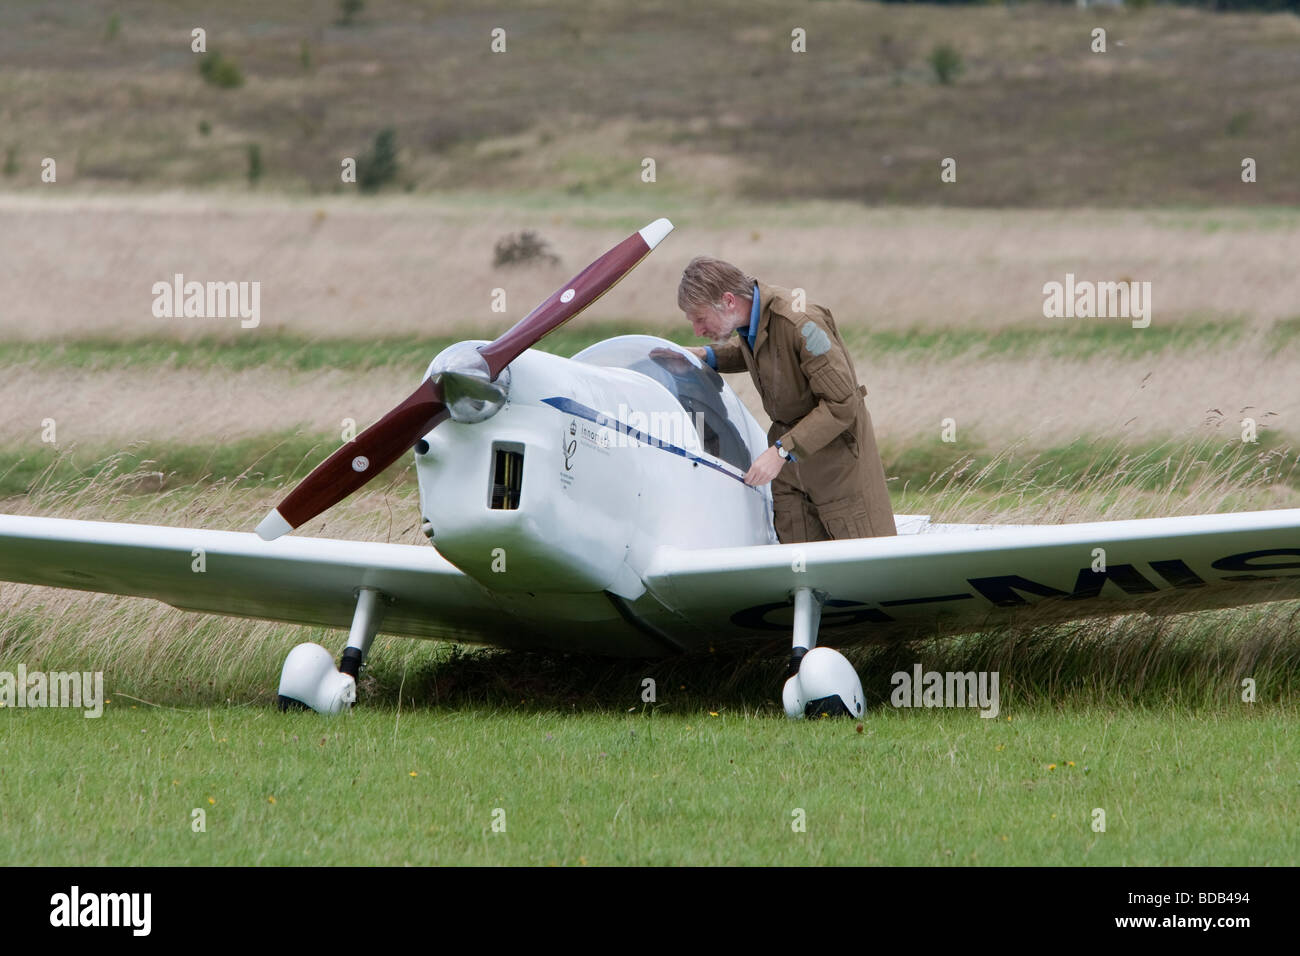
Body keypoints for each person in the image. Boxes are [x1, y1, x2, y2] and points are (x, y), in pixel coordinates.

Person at [677, 256, 896, 543]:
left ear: (729, 300)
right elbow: (761, 350)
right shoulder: (749, 324)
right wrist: (706, 356)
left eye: (700, 318)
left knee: (866, 567)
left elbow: (842, 405)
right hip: (791, 472)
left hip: (839, 467)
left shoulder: (802, 322)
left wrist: (780, 451)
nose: (698, 330)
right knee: (801, 569)